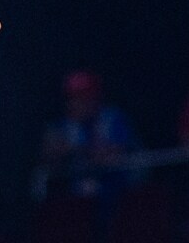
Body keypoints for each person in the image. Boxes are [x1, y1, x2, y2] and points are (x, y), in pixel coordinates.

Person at [38, 70, 138, 199]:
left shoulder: (112, 118)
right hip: (76, 198)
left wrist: (75, 149)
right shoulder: (62, 126)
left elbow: (116, 154)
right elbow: (47, 157)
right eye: (73, 97)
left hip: (119, 191)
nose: (78, 103)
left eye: (84, 96)